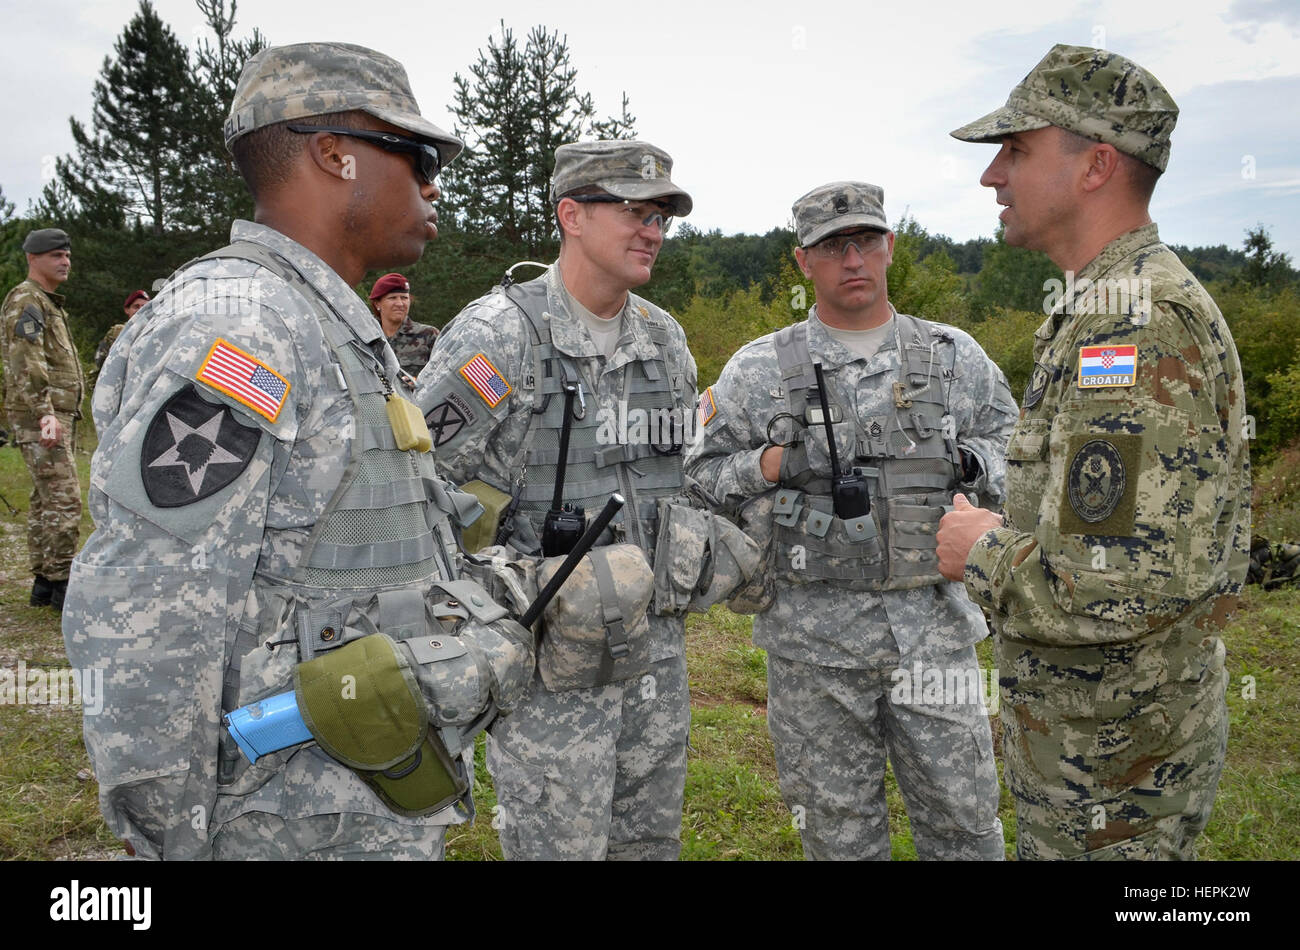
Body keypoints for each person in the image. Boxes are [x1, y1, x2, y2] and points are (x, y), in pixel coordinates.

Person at [63, 42, 536, 861]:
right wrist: (168, 839)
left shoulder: (327, 325)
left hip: (352, 792)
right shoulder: (242, 325)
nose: (433, 187)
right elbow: (147, 612)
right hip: (278, 822)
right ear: (334, 153)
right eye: (419, 158)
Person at [938, 43, 1249, 860]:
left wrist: (982, 551)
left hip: (1113, 773)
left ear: (1096, 166)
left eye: (1017, 150)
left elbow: (1112, 586)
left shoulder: (1136, 325)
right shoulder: (1102, 309)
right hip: (1097, 751)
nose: (991, 177)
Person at [685, 181, 1015, 860]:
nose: (853, 258)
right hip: (813, 650)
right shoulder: (757, 371)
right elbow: (698, 476)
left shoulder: (954, 357)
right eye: (833, 247)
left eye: (865, 241)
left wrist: (969, 463)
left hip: (937, 636)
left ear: (889, 247)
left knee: (966, 827)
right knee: (838, 838)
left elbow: (1018, 443)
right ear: (803, 261)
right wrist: (771, 465)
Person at [416, 140, 697, 860]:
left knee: (649, 843)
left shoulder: (663, 341)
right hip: (547, 669)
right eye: (634, 211)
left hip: (653, 656)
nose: (652, 230)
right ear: (571, 214)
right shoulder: (498, 336)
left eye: (662, 215)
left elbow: (682, 476)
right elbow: (425, 500)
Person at [1, 227, 84, 611]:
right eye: (55, 255)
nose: (64, 261)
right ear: (33, 259)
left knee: (45, 500)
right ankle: (64, 586)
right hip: (43, 415)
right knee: (65, 499)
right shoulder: (28, 300)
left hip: (51, 414)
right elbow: (26, 360)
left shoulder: (46, 302)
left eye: (66, 255)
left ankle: (45, 585)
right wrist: (45, 413)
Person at [368, 272, 438, 384]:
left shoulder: (428, 335)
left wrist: (420, 382)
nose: (400, 303)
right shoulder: (367, 335)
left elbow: (442, 374)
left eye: (404, 298)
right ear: (377, 304)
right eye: (392, 298)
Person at [92, 290, 150, 385]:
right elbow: (100, 360)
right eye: (136, 307)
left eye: (145, 307)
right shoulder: (117, 332)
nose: (141, 310)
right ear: (127, 310)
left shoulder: (156, 332)